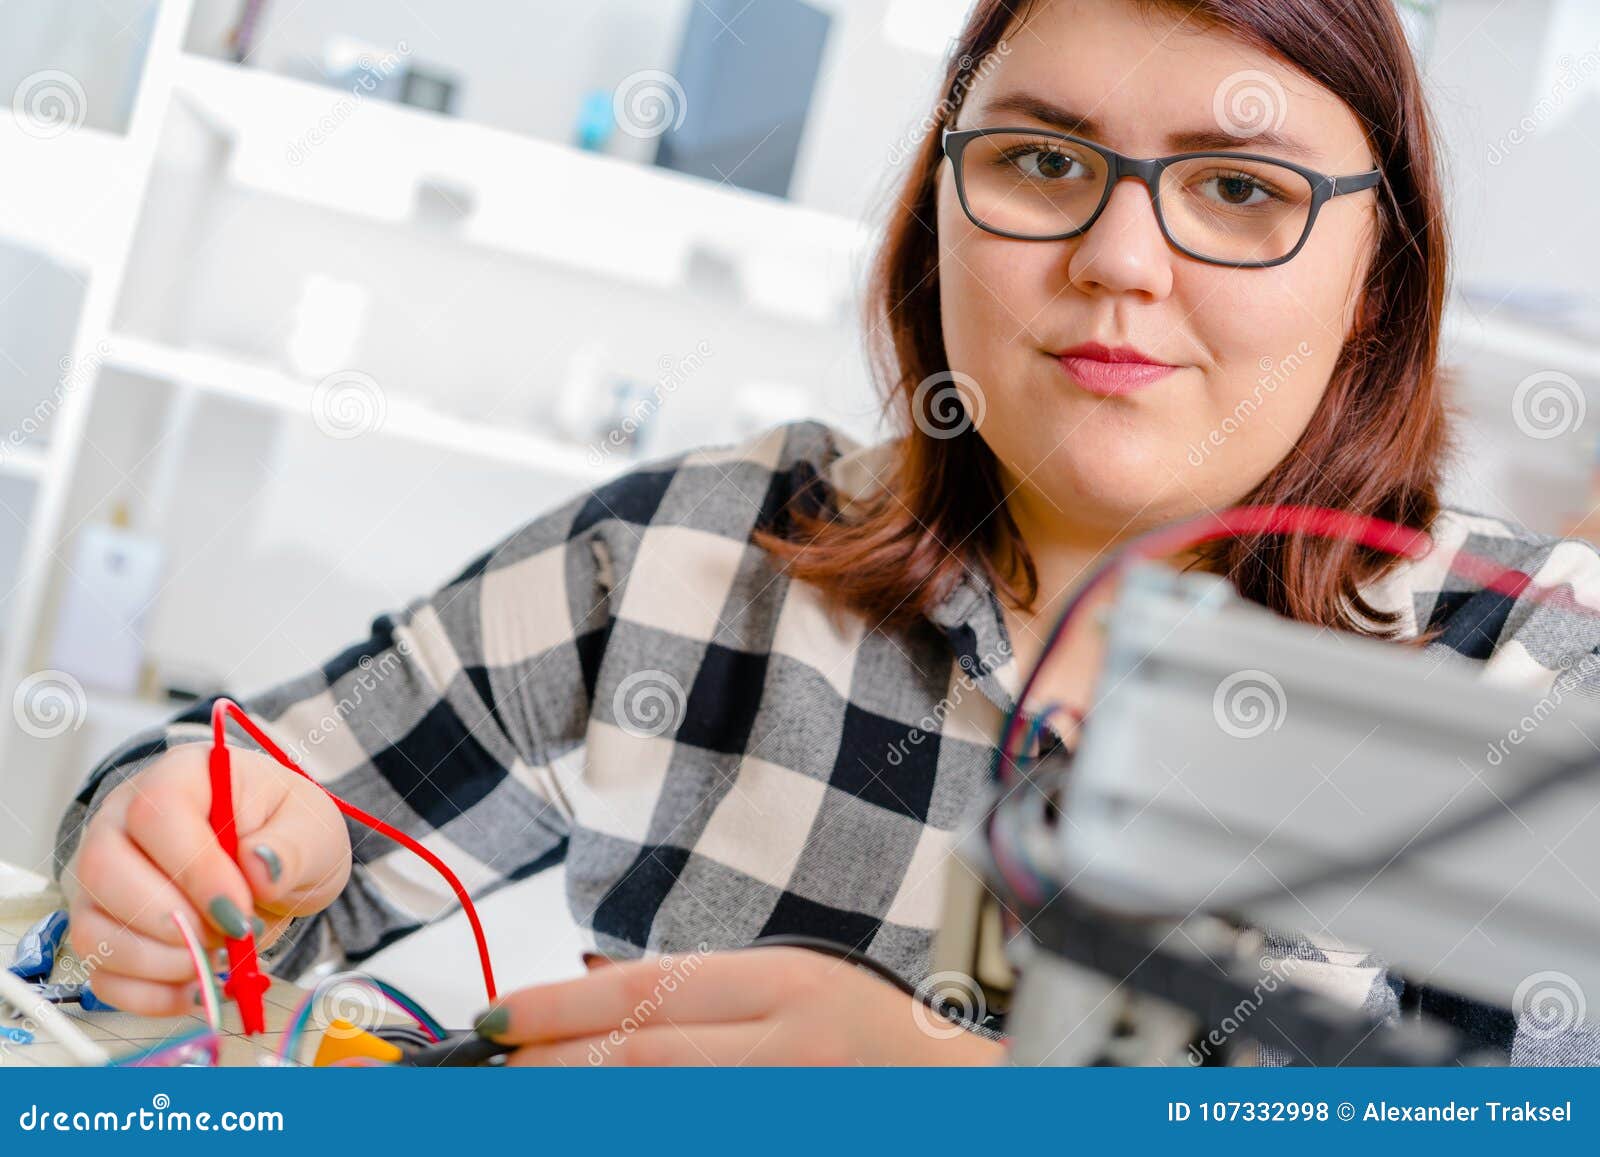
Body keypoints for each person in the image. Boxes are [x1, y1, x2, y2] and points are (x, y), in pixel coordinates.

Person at [53, 0, 1600, 1065]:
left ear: (1379, 283)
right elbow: (234, 802)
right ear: (940, 209)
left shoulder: (1533, 678)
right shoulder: (692, 554)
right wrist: (165, 857)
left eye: (1244, 190)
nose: (1122, 258)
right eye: (1044, 164)